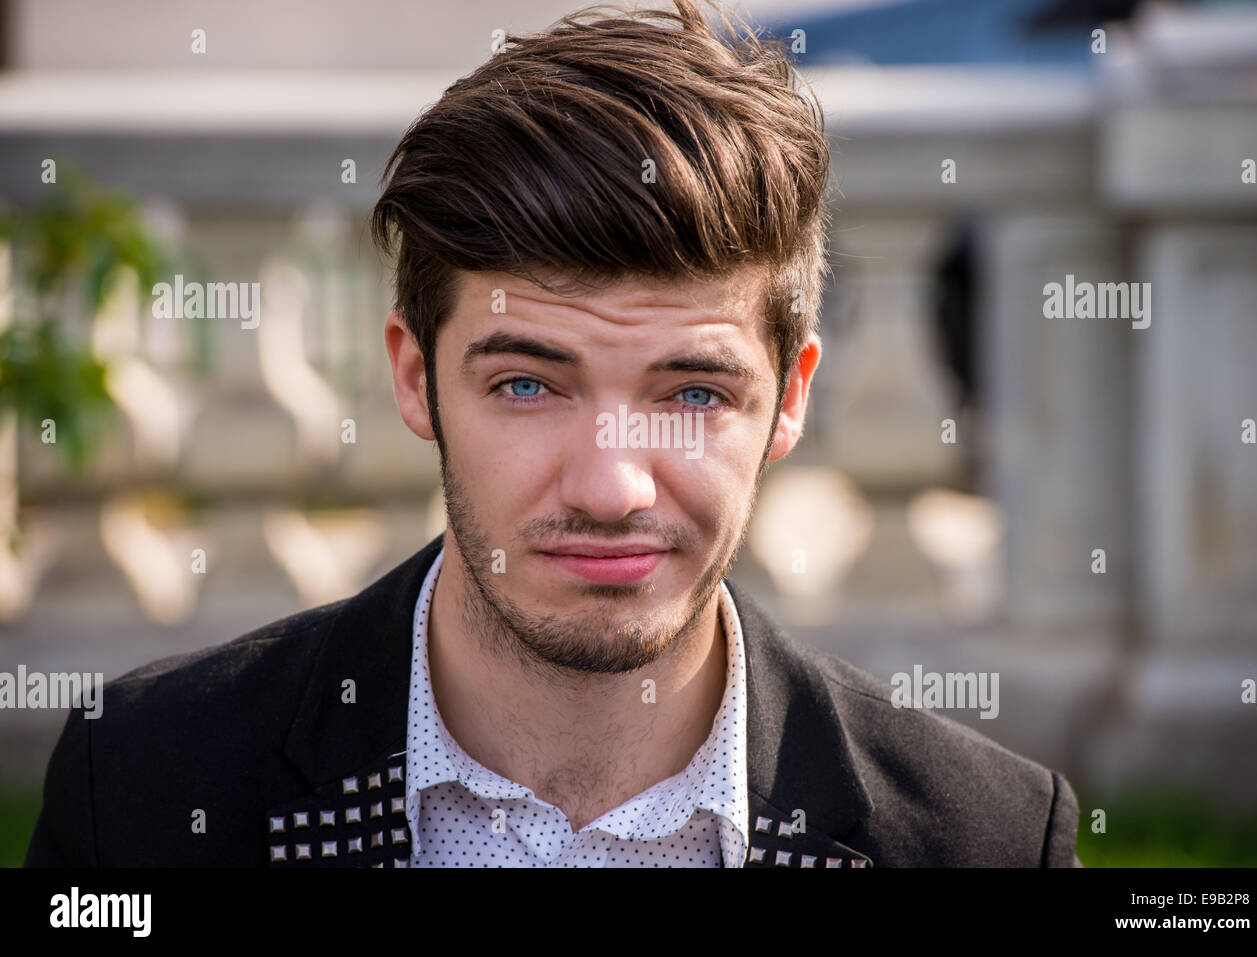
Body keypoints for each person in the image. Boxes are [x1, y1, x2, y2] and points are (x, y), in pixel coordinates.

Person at [25, 0, 1081, 868]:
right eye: (529, 385)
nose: (612, 485)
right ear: (414, 375)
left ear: (791, 398)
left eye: (693, 394)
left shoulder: (982, 839)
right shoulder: (144, 794)